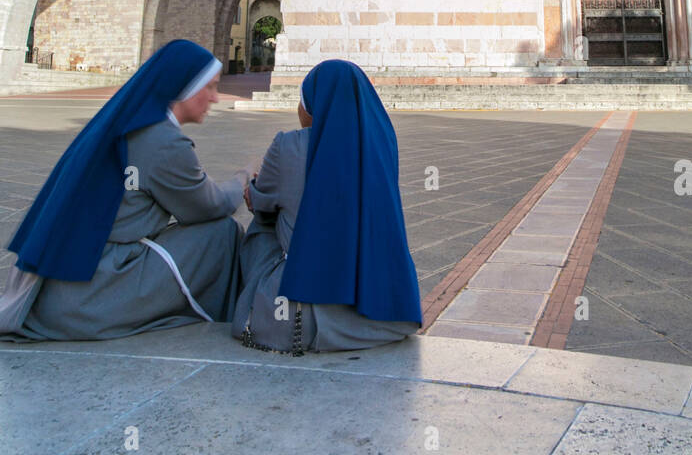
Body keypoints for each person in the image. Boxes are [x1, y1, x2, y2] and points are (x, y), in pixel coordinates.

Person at [0, 39, 249, 341]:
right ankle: (234, 319)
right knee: (221, 233)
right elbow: (206, 206)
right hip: (90, 292)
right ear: (184, 87)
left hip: (54, 280)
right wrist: (242, 179)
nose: (215, 98)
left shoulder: (126, 118)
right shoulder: (162, 139)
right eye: (209, 87)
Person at [232, 58, 422, 354]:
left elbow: (260, 204)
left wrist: (252, 185)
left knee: (261, 227)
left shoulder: (288, 145)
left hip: (299, 319)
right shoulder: (383, 143)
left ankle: (253, 305)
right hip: (390, 317)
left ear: (311, 104)